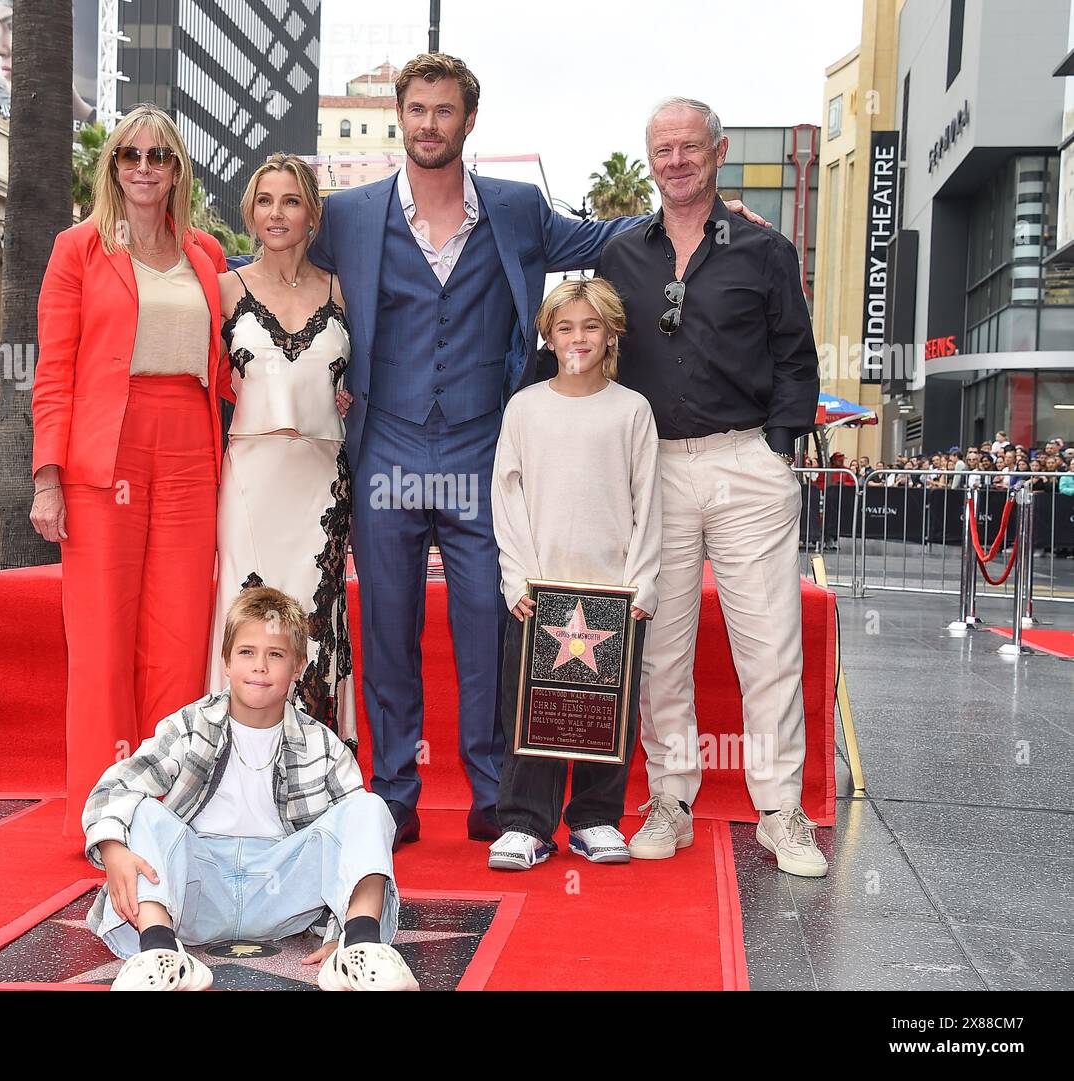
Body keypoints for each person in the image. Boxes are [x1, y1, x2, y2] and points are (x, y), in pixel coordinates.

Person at [305, 54, 767, 851]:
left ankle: (494, 795)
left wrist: (707, 219)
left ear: (468, 120)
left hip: (484, 455)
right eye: (415, 110)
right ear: (400, 119)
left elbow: (608, 233)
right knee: (387, 628)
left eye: (443, 110)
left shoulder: (517, 210)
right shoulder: (347, 216)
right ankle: (393, 795)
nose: (427, 124)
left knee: (494, 626)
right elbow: (280, 262)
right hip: (387, 450)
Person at [600, 96, 827, 878]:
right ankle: (670, 799)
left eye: (689, 147)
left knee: (768, 644)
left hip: (744, 463)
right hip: (653, 467)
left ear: (718, 150)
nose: (675, 161)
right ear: (650, 158)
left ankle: (780, 809)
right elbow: (586, 347)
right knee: (659, 651)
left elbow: (797, 356)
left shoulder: (764, 252)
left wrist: (778, 449)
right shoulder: (620, 252)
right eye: (662, 149)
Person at [30, 103, 229, 836]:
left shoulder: (205, 254)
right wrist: (48, 476)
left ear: (178, 170)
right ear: (112, 166)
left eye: (160, 156)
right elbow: (53, 368)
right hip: (102, 455)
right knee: (101, 640)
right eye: (130, 155)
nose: (144, 167)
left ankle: (168, 810)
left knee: (181, 635)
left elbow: (234, 364)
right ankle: (104, 813)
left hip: (188, 451)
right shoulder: (77, 249)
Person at [83, 587, 417, 992]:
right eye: (246, 652)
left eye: (275, 655)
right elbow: (113, 787)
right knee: (143, 811)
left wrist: (337, 926)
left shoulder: (324, 745)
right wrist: (113, 850)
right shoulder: (190, 726)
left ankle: (358, 948)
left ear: (297, 668)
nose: (260, 667)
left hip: (282, 892)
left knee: (370, 807)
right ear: (225, 662)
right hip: (199, 890)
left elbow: (355, 841)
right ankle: (161, 952)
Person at [487, 278, 660, 871]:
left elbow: (647, 502)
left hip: (612, 592)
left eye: (590, 325)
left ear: (611, 332)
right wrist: (518, 579)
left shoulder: (632, 410)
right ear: (548, 334)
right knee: (529, 706)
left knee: (604, 709)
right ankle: (525, 824)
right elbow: (506, 498)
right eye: (565, 327)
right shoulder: (526, 407)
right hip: (539, 592)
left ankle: (595, 818)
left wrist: (642, 581)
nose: (578, 337)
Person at [211, 155, 356, 745]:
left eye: (291, 200)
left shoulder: (345, 291)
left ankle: (314, 759)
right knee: (247, 610)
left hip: (322, 480)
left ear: (312, 214)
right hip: (250, 476)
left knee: (314, 618)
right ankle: (237, 761)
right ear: (250, 211)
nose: (277, 213)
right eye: (266, 200)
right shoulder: (222, 289)